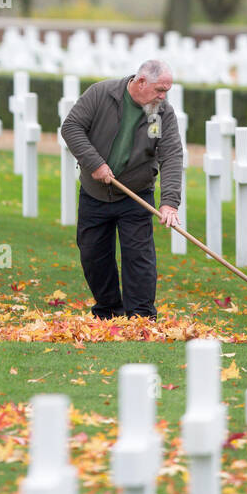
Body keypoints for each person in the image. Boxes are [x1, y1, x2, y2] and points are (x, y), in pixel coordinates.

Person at [60, 59, 182, 319]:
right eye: (159, 90)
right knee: (94, 256)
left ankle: (141, 316)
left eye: (166, 91)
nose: (163, 97)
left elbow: (171, 155)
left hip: (136, 194)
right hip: (95, 192)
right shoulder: (101, 94)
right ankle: (108, 311)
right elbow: (71, 127)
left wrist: (169, 201)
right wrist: (94, 164)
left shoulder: (162, 113)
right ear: (140, 82)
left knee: (139, 258)